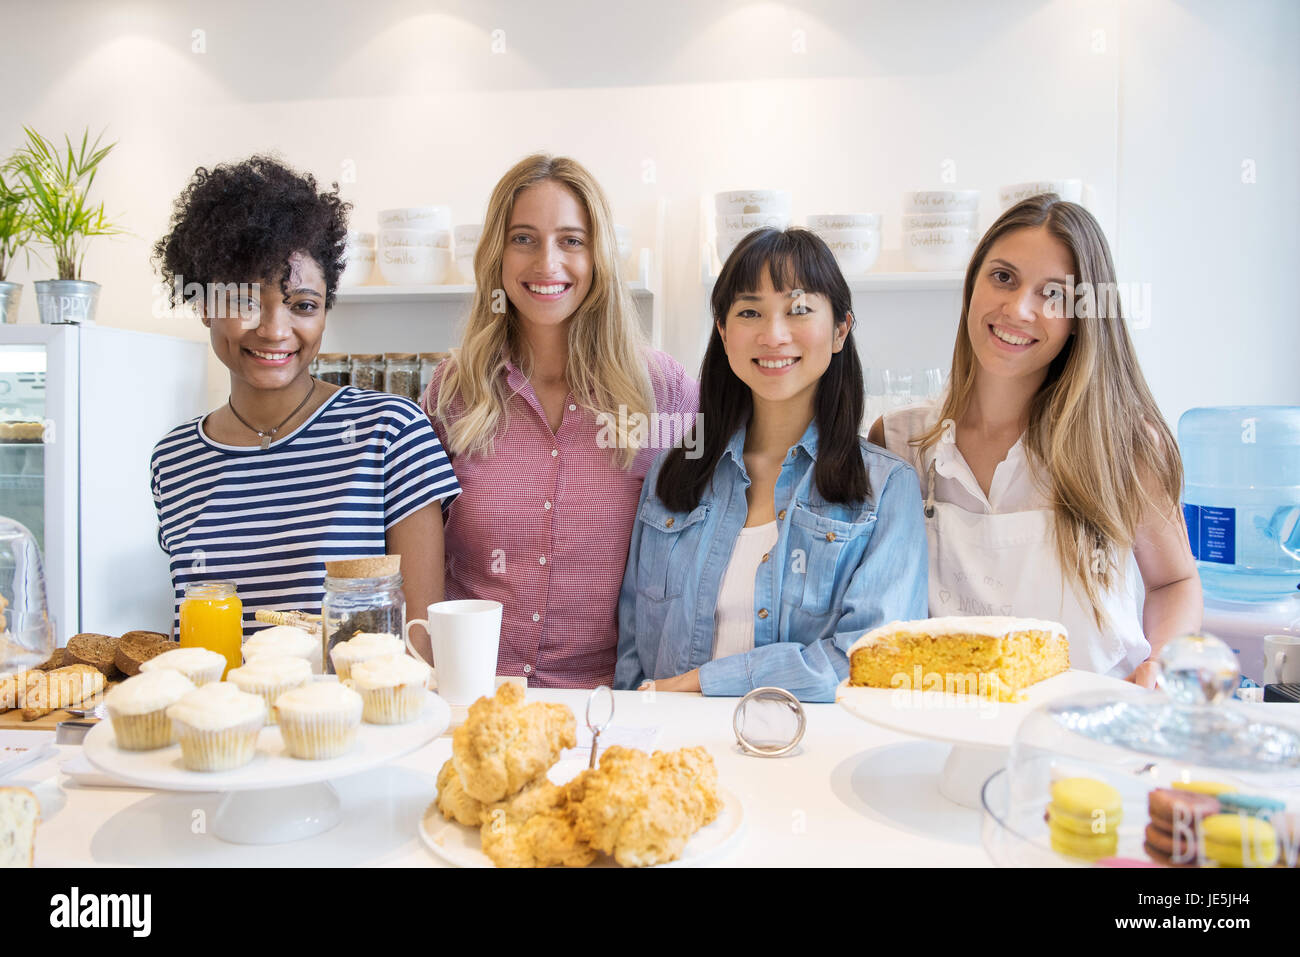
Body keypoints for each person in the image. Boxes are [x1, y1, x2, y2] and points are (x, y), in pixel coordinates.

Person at [868, 194, 1200, 686]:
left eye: (1055, 295)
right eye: (1003, 277)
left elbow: (1175, 581)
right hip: (946, 734)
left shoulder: (1124, 445)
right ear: (971, 285)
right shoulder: (900, 442)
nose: (1019, 309)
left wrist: (1162, 663)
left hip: (1093, 734)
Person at [151, 155, 459, 657]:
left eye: (302, 305)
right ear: (206, 305)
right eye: (246, 302)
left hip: (356, 725)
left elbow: (419, 645)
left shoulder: (390, 433)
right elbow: (196, 639)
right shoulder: (174, 459)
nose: (275, 330)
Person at [616, 228, 928, 702]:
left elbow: (873, 659)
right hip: (672, 756)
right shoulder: (670, 475)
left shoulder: (886, 489)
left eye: (798, 310)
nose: (773, 334)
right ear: (723, 331)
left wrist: (706, 683)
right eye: (749, 312)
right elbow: (633, 654)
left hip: (811, 759)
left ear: (841, 329)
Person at [421, 153, 698, 688]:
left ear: (598, 257)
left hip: (611, 707)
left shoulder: (659, 392)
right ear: (496, 255)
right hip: (473, 698)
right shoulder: (454, 391)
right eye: (524, 238)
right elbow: (420, 560)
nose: (548, 263)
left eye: (571, 240)